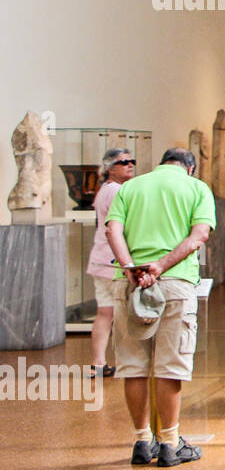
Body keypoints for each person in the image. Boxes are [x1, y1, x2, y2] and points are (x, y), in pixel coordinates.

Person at [103, 147, 214, 467]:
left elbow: (113, 230)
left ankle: (141, 441)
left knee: (133, 365)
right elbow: (198, 236)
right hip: (175, 283)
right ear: (190, 168)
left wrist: (129, 267)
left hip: (130, 283)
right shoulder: (197, 188)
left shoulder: (132, 187)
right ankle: (168, 443)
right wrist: (161, 266)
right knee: (169, 365)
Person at [85, 148, 137, 377]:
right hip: (112, 259)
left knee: (105, 312)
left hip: (102, 258)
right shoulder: (116, 190)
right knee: (119, 312)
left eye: (131, 161)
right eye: (123, 162)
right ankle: (127, 361)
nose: (129, 164)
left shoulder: (106, 189)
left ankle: (98, 362)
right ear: (109, 168)